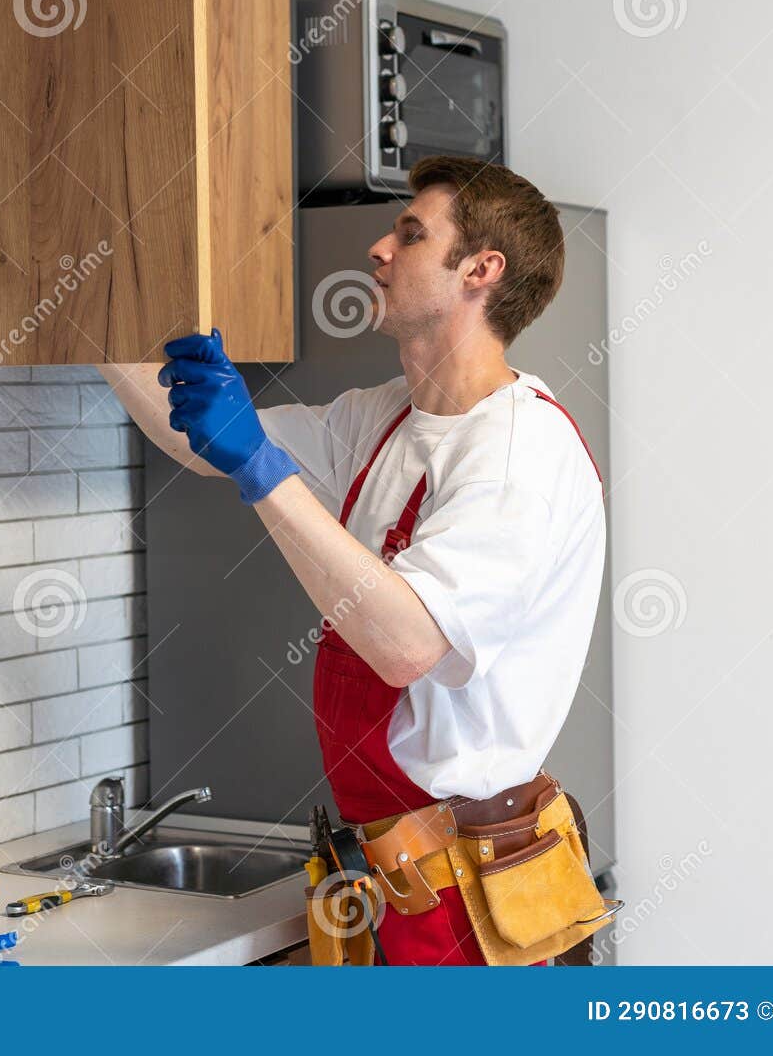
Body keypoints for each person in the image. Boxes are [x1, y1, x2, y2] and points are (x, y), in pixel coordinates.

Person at [98, 156, 605, 965]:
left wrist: (261, 468)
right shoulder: (387, 419)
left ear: (481, 270)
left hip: (472, 908)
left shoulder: (518, 451)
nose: (378, 248)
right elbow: (198, 445)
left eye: (409, 233)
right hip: (391, 877)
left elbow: (406, 644)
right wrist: (93, 316)